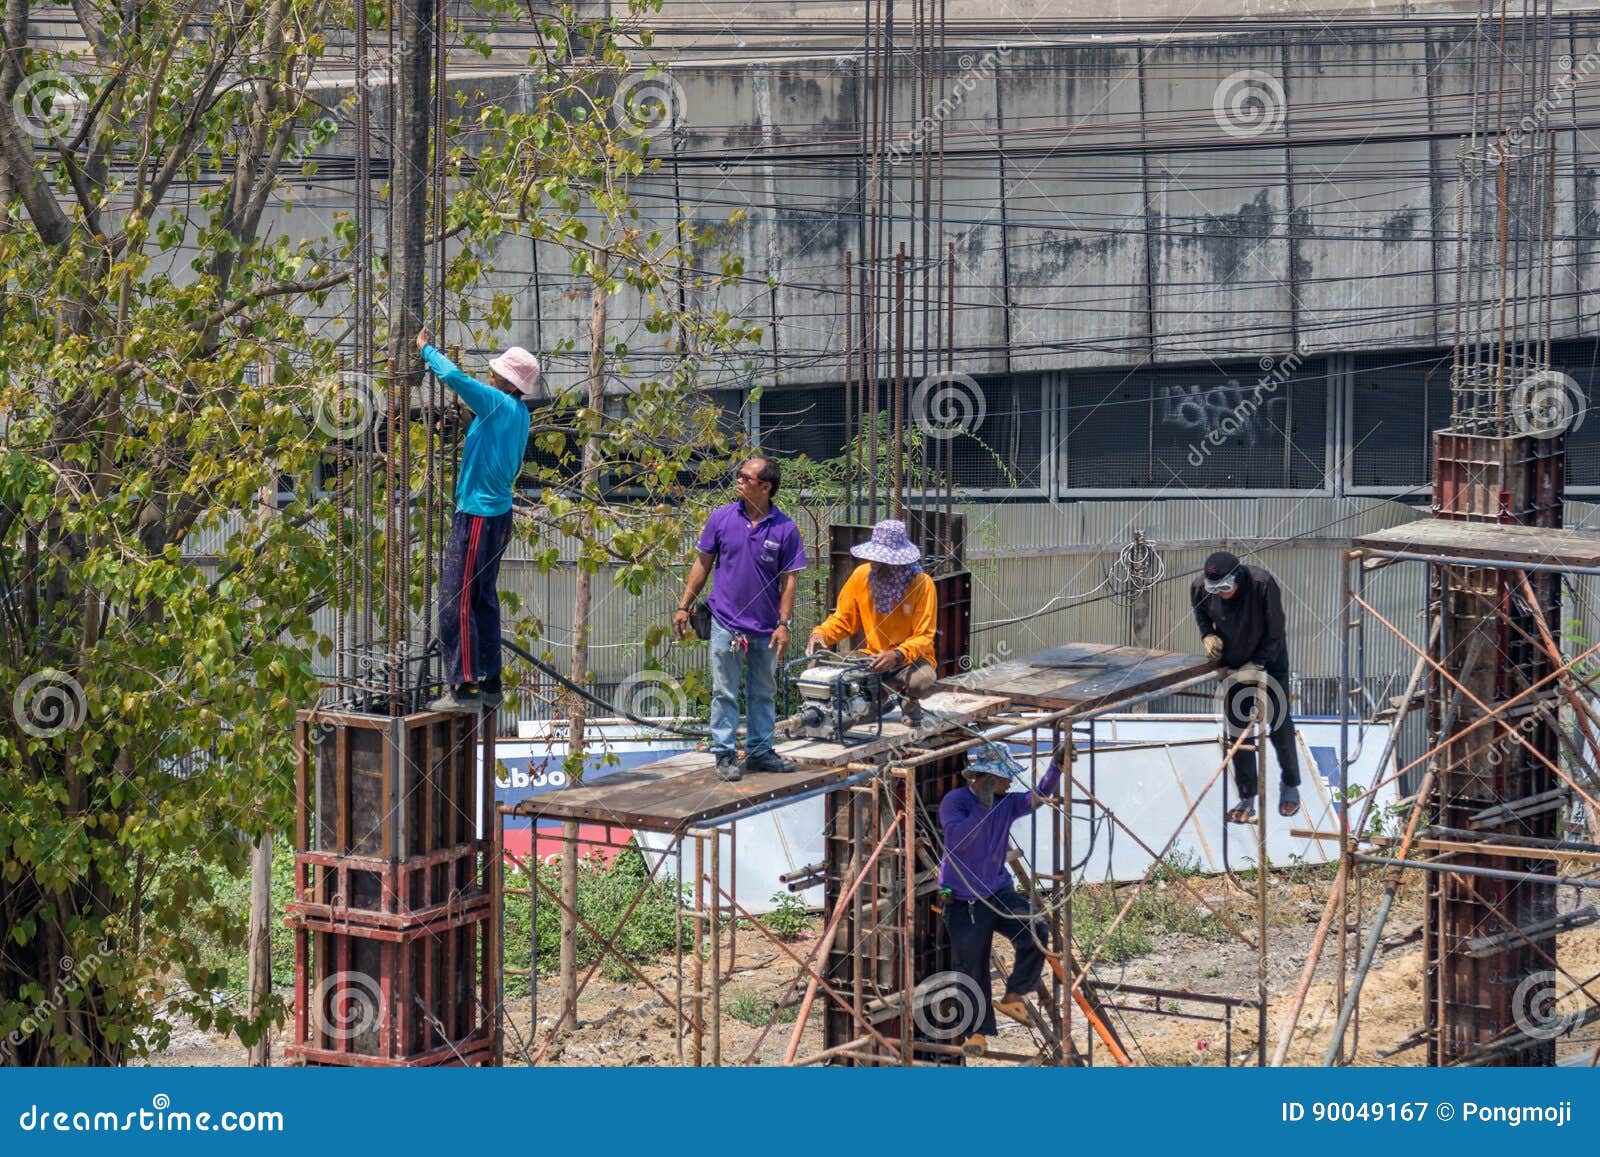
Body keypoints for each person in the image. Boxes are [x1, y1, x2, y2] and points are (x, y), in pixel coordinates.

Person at [415, 328, 537, 711]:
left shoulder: (496, 403)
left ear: (507, 382)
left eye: (497, 372)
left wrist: (426, 349)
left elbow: (455, 378)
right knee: (483, 598)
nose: (491, 374)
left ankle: (464, 686)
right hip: (497, 516)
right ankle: (490, 681)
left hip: (477, 515)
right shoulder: (520, 413)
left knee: (455, 600)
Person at [673, 458, 807, 782]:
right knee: (724, 692)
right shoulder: (721, 518)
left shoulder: (785, 528)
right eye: (739, 475)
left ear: (765, 486)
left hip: (766, 628)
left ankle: (760, 751)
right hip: (725, 622)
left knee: (763, 691)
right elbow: (703, 563)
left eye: (746, 477)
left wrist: (784, 624)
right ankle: (724, 753)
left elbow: (789, 580)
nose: (738, 480)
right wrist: (683, 606)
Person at [937, 740, 1068, 1057]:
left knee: (1036, 932)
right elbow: (960, 839)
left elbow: (1036, 798)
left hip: (998, 891)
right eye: (1005, 776)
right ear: (988, 778)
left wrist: (1056, 768)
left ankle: (1014, 996)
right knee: (972, 966)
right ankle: (977, 1033)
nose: (1010, 782)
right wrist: (982, 806)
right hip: (963, 899)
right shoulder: (956, 802)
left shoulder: (1005, 803)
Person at [1190, 549, 1302, 823]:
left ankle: (1290, 782)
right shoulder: (1199, 588)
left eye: (1225, 588)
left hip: (1269, 657)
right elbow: (1202, 615)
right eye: (1216, 590)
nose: (1222, 594)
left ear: (1237, 577)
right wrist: (1207, 635)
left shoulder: (1262, 583)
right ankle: (1247, 795)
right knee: (1237, 727)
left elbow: (1276, 630)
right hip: (1233, 660)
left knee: (1279, 720)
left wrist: (1258, 663)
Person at [805, 519, 938, 725]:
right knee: (817, 664)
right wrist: (821, 634)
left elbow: (925, 636)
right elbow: (844, 619)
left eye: (882, 559)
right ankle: (871, 701)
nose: (875, 563)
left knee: (924, 681)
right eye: (874, 558)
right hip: (872, 657)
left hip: (907, 660)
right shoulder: (861, 575)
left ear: (897, 561)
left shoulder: (922, 584)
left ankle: (908, 700)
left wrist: (897, 654)